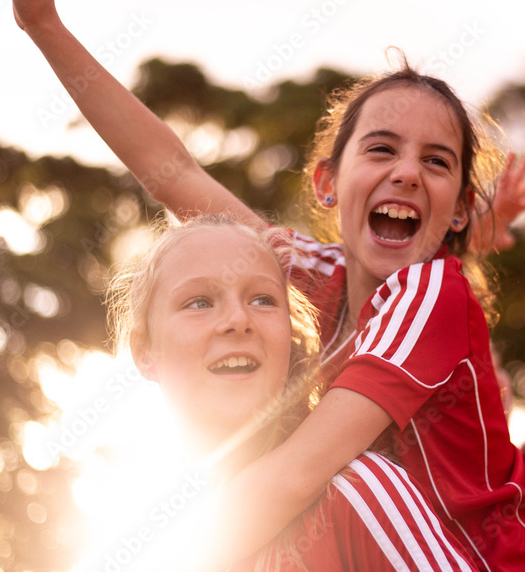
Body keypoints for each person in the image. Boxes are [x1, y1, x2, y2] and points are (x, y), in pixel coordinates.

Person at [0, 0, 525, 569]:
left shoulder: (433, 297)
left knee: (339, 483)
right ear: (327, 185)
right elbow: (174, 172)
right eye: (381, 149)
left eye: (436, 162)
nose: (407, 172)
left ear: (459, 209)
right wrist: (46, 24)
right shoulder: (313, 276)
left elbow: (296, 476)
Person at [107, 214, 479, 570]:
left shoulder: (360, 493)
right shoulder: (143, 536)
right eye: (199, 302)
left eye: (262, 299)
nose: (238, 320)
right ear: (144, 352)